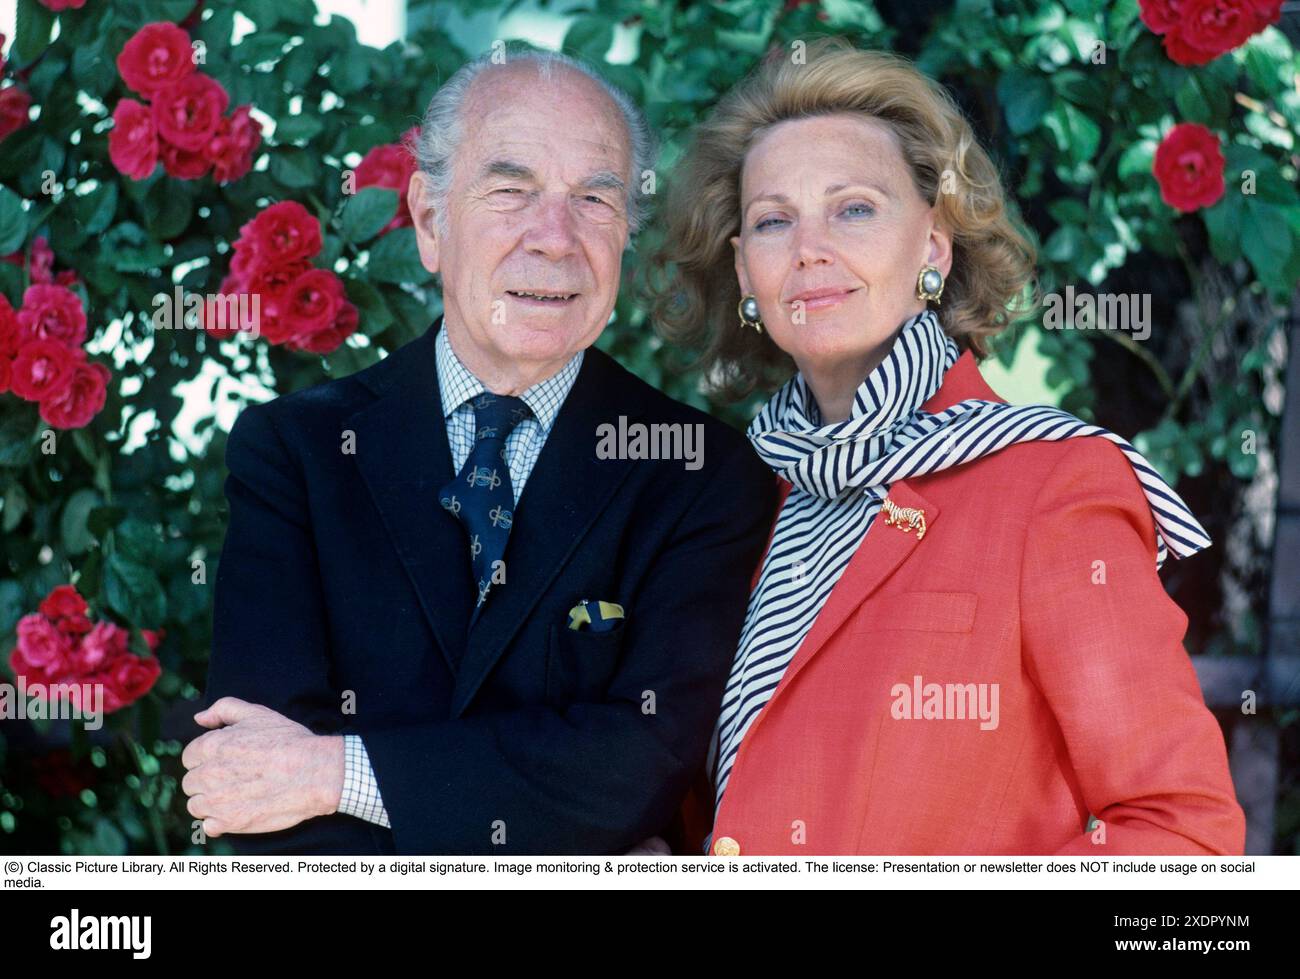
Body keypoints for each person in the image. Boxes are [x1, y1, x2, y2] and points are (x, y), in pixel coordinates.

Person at [653, 38, 1246, 856]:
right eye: (772, 220)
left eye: (854, 207)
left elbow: (1183, 829)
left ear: (933, 246)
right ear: (746, 272)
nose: (808, 247)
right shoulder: (737, 497)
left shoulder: (1054, 481)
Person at [186, 49, 776, 854]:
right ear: (430, 220)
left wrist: (334, 773)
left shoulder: (700, 472)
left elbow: (636, 769)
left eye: (594, 200)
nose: (556, 239)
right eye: (511, 191)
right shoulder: (297, 452)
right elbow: (256, 793)